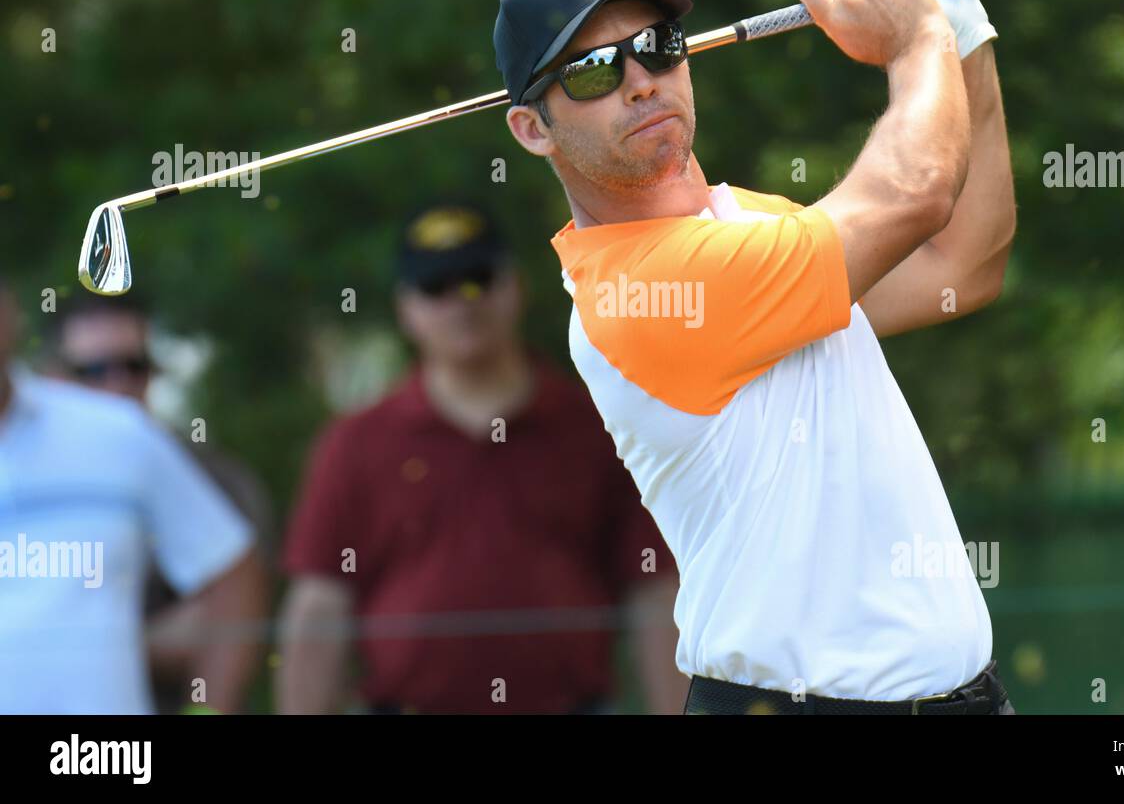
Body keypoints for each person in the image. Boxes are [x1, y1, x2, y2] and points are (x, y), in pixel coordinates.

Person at [495, 0, 1017, 714]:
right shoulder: (641, 293)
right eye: (595, 71)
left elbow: (960, 266)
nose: (641, 82)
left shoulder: (751, 227)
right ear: (534, 131)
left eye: (658, 48)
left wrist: (963, 35)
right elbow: (916, 194)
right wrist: (917, 38)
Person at [276, 204, 685, 714]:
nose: (461, 302)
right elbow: (319, 607)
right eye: (436, 287)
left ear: (514, 286)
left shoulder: (599, 425)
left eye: (477, 279)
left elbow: (655, 594)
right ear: (406, 308)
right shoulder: (357, 443)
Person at [0, 275, 259, 714]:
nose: (118, 384)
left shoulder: (134, 441)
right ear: (56, 370)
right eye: (95, 371)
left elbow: (236, 582)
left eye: (134, 366)